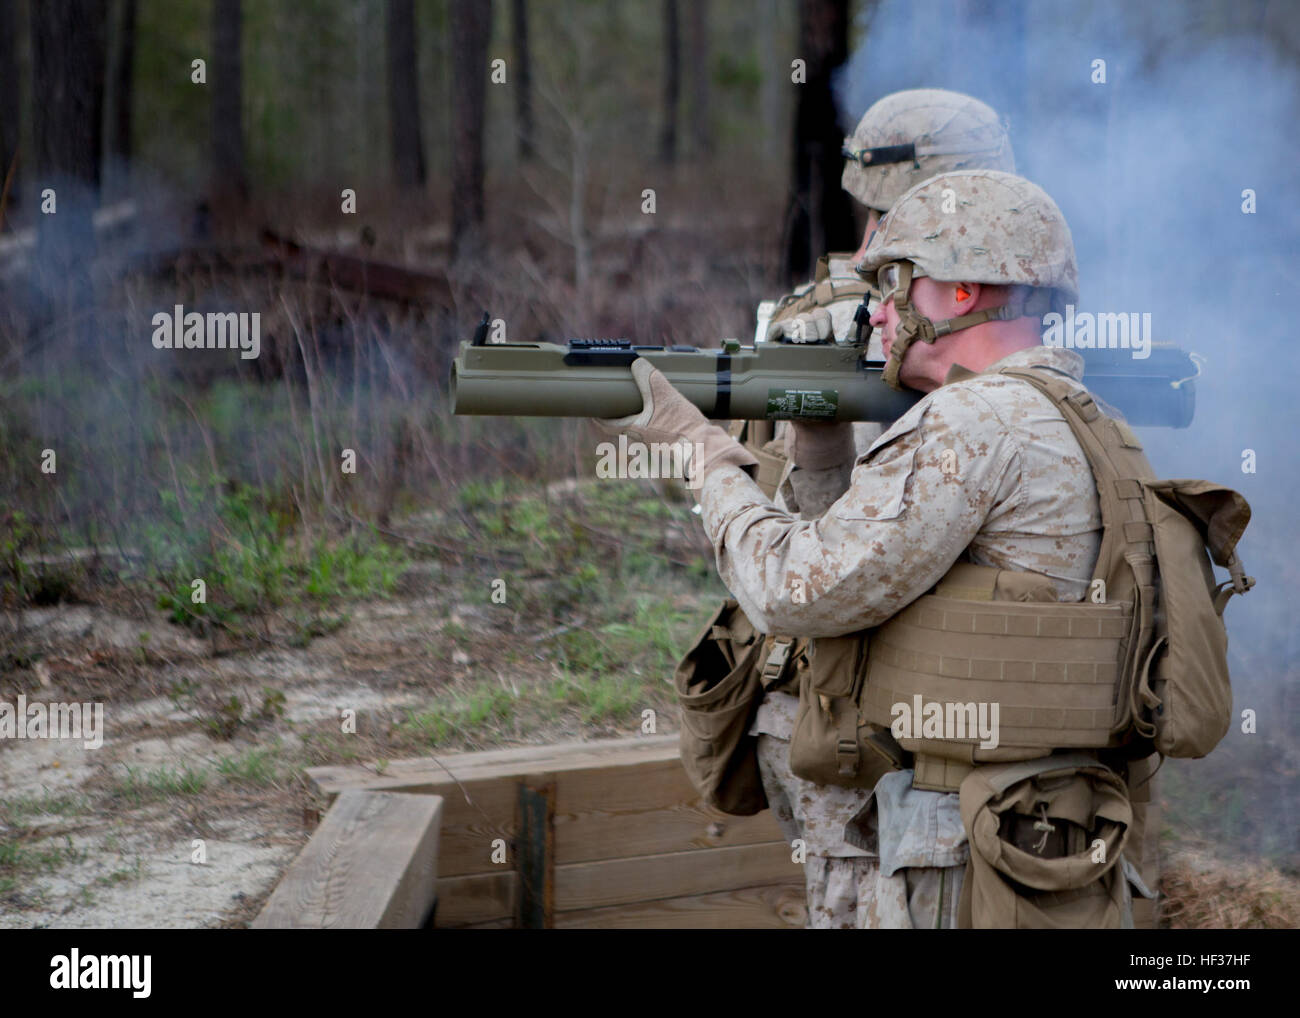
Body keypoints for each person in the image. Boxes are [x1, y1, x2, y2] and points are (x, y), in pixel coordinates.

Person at [598, 169, 1154, 927]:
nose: (877, 311)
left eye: (897, 281)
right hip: (1051, 833)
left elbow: (796, 592)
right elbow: (885, 586)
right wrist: (824, 456)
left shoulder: (971, 423)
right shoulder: (1094, 418)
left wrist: (701, 453)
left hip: (961, 853)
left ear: (961, 292)